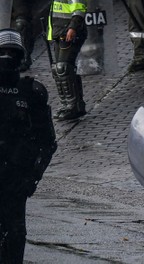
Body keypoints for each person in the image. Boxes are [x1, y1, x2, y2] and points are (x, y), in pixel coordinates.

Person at [0, 28, 56, 264]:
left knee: (14, 237)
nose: (7, 58)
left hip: (15, 180)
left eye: (12, 53)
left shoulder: (32, 93)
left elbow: (48, 143)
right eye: (2, 53)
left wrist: (32, 177)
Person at [46, 0, 93, 121]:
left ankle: (70, 106)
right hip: (60, 31)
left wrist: (73, 27)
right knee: (65, 69)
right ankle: (76, 105)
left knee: (62, 68)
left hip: (69, 31)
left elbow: (79, 9)